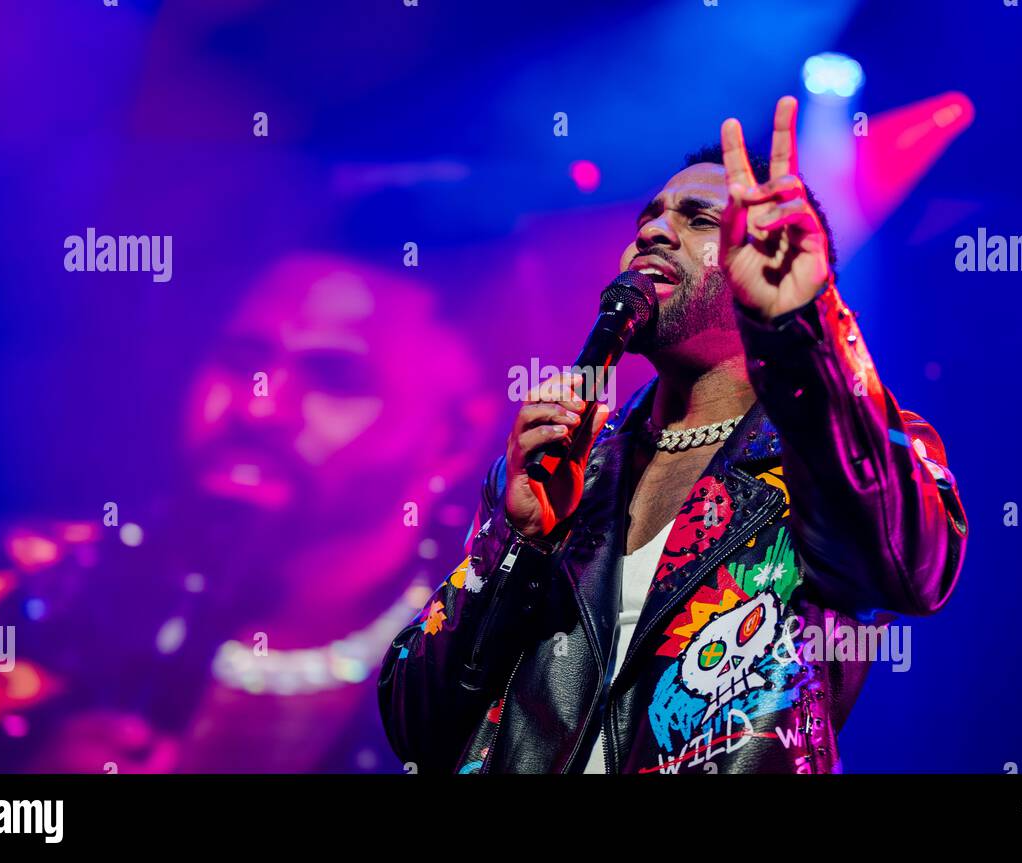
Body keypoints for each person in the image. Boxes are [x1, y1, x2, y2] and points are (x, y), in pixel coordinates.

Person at [379, 96, 969, 774]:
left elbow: (911, 571)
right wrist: (521, 542)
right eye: (648, 219)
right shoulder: (574, 464)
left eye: (699, 219)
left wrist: (805, 327)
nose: (655, 233)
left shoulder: (837, 454)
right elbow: (415, 721)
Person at [0, 253, 495, 773]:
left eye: (334, 377)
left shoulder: (491, 664)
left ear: (457, 438)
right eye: (241, 360)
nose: (258, 406)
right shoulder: (19, 588)